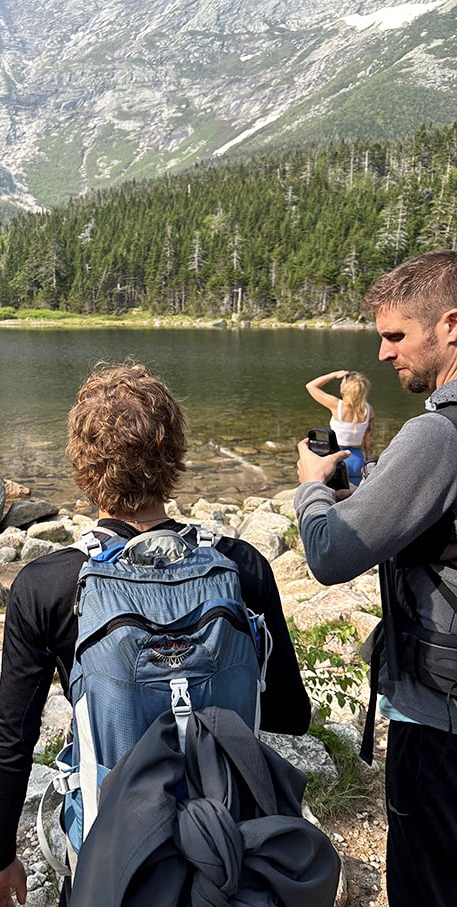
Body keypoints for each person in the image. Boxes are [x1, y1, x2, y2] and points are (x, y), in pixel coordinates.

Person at [0, 360, 311, 907]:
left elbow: (14, 741)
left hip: (116, 853)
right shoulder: (241, 566)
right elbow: (289, 716)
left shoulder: (49, 584)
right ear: (174, 456)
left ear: (81, 465)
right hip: (228, 845)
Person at [294, 249, 457, 907]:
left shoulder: (438, 436)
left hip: (440, 721)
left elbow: (331, 554)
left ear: (451, 325)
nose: (386, 354)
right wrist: (362, 474)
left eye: (396, 335)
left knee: (427, 885)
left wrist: (311, 489)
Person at [305, 369, 374, 485]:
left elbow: (311, 386)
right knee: (353, 495)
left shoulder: (337, 405)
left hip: (337, 456)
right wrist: (368, 460)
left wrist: (333, 375)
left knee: (333, 494)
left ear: (344, 389)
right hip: (357, 458)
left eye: (342, 383)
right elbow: (368, 440)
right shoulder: (368, 410)